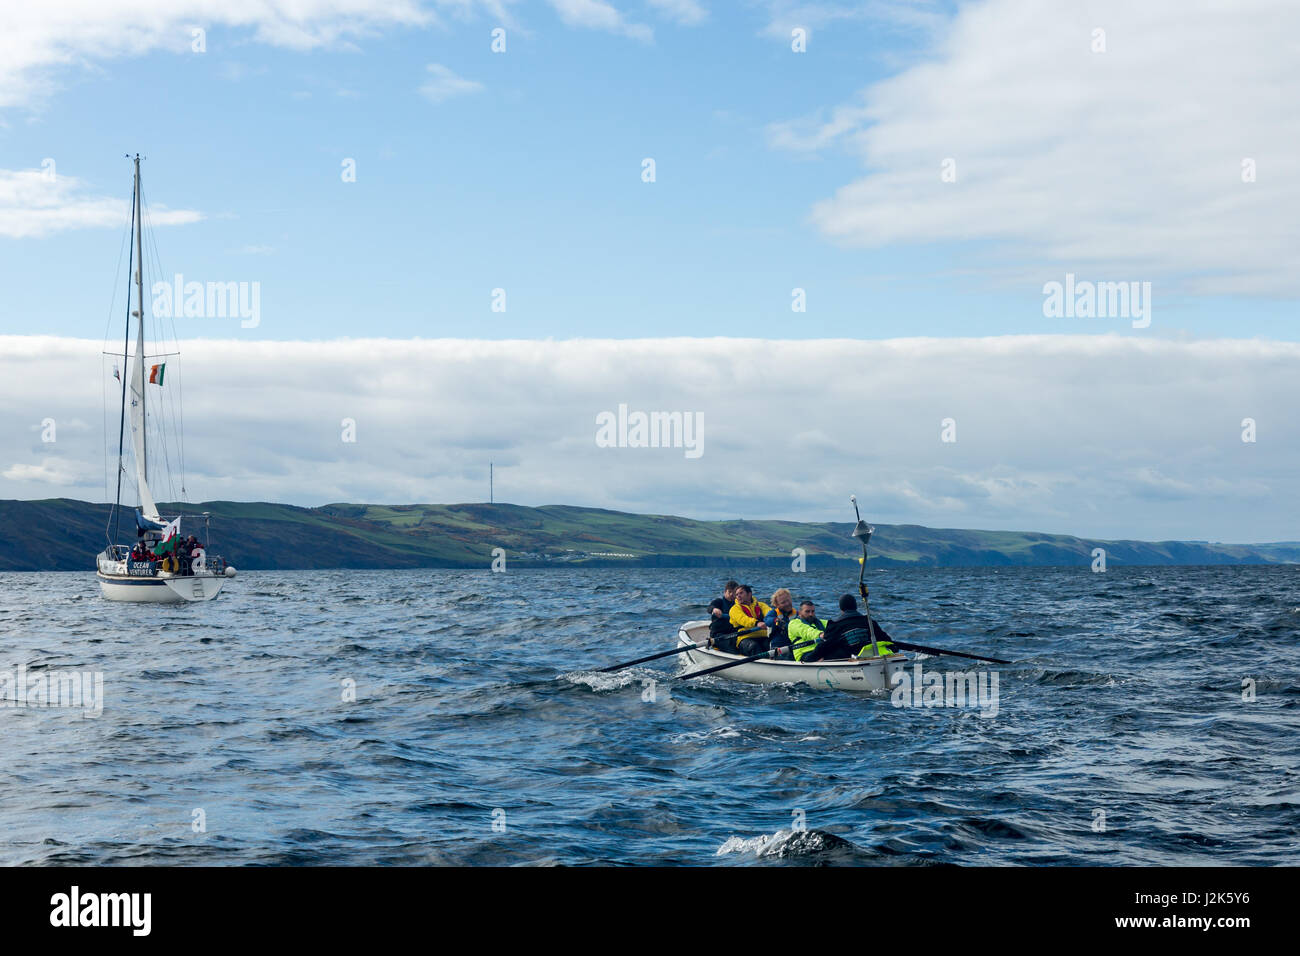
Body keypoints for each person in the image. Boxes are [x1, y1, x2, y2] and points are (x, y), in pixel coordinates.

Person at [801, 594, 895, 662]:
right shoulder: (870, 622)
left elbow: (824, 647)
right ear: (855, 606)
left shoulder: (835, 625)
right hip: (871, 658)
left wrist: (808, 659)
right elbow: (888, 641)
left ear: (841, 608)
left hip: (849, 661)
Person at [729, 585, 770, 654]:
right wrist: (757, 623)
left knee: (773, 644)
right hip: (745, 637)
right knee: (753, 646)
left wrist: (775, 619)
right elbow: (743, 619)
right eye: (736, 594)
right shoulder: (734, 609)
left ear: (749, 594)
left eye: (741, 593)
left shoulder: (761, 605)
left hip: (763, 635)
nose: (738, 596)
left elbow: (769, 613)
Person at [764, 589, 797, 658]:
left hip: (794, 646)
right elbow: (767, 620)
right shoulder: (773, 613)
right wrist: (775, 620)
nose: (787, 604)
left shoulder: (798, 614)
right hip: (778, 647)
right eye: (783, 602)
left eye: (788, 600)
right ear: (777, 605)